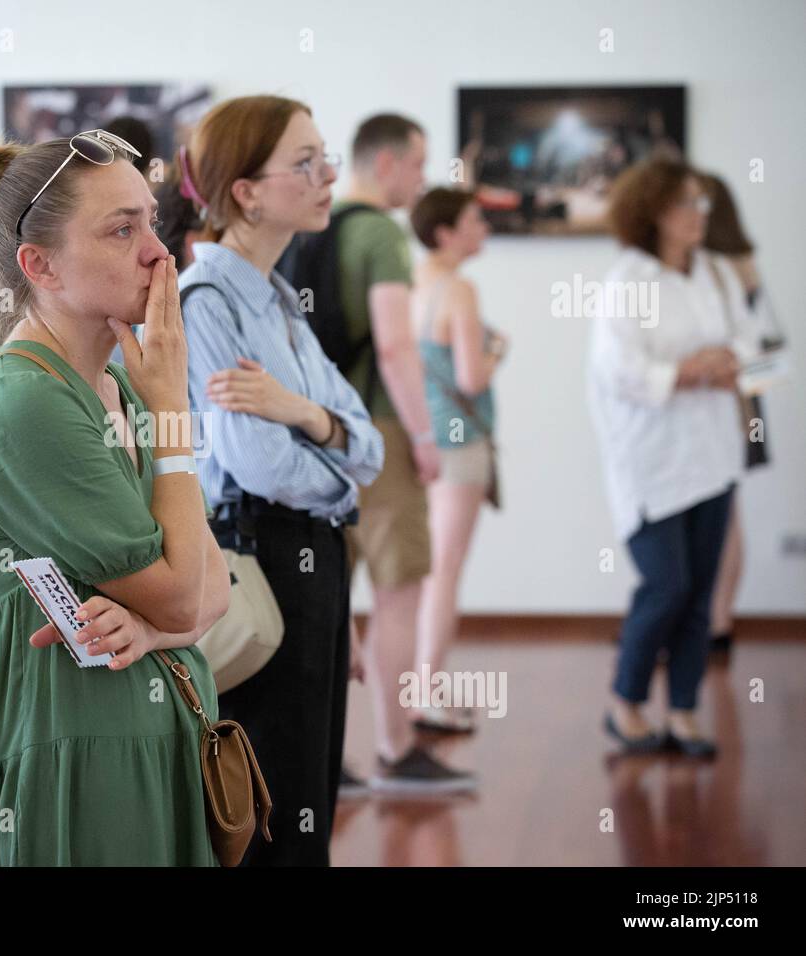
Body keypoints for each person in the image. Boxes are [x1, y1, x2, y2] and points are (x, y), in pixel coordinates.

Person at [0, 131, 231, 866]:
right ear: (41, 267)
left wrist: (155, 630)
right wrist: (173, 410)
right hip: (73, 765)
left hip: (146, 744)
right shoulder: (24, 404)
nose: (159, 253)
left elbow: (211, 589)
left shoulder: (121, 385)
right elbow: (180, 595)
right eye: (121, 229)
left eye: (152, 221)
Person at [176, 94, 384, 864]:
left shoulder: (278, 302)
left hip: (314, 552)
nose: (327, 174)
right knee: (276, 807)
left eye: (325, 157)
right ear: (246, 192)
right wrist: (338, 461)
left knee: (314, 793)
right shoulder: (207, 303)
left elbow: (368, 440)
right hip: (262, 559)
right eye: (305, 162)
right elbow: (262, 465)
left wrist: (301, 411)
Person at [590, 158, 762, 759]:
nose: (699, 215)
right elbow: (619, 370)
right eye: (687, 203)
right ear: (654, 211)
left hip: (714, 455)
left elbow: (748, 342)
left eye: (703, 204)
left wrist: (726, 360)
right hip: (651, 461)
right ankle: (626, 704)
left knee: (701, 592)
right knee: (667, 586)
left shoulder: (715, 272)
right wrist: (690, 372)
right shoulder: (627, 279)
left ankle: (684, 712)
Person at [333, 114, 474, 791]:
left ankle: (320, 760)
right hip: (380, 433)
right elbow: (395, 345)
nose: (423, 179)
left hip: (316, 433)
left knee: (327, 597)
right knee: (398, 595)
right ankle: (395, 747)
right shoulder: (382, 234)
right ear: (385, 163)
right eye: (418, 164)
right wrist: (424, 437)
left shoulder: (316, 225)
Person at [408, 188, 504, 734]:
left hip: (421, 440)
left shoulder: (412, 284)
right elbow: (471, 377)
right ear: (446, 232)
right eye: (474, 220)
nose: (483, 228)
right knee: (445, 573)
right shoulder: (460, 290)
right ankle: (427, 694)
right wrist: (497, 351)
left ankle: (414, 694)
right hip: (461, 443)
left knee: (425, 573)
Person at [699, 172, 784, 657]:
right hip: (749, 394)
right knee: (727, 510)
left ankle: (712, 622)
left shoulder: (712, 266)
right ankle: (719, 622)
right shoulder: (742, 259)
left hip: (725, 395)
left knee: (718, 511)